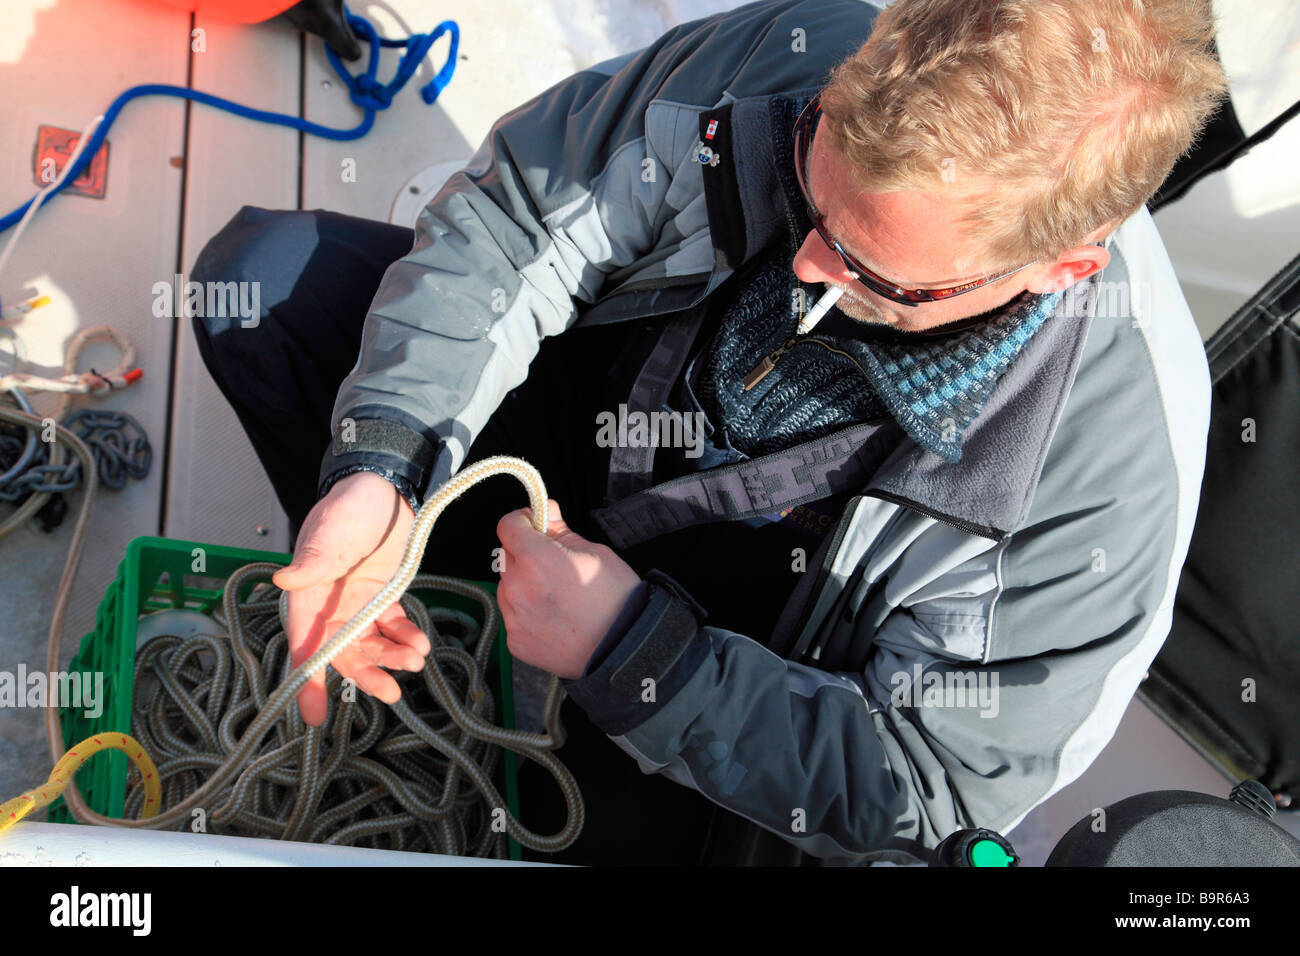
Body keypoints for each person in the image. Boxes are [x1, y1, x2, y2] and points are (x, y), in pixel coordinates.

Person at [188, 0, 1229, 865]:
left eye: (873, 273)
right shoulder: (800, 55)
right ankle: (407, 593)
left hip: (749, 654)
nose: (808, 270)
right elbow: (511, 221)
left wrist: (636, 655)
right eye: (811, 194)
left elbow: (926, 790)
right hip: (593, 434)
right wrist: (384, 462)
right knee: (263, 287)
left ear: (1062, 270)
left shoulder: (1104, 487)